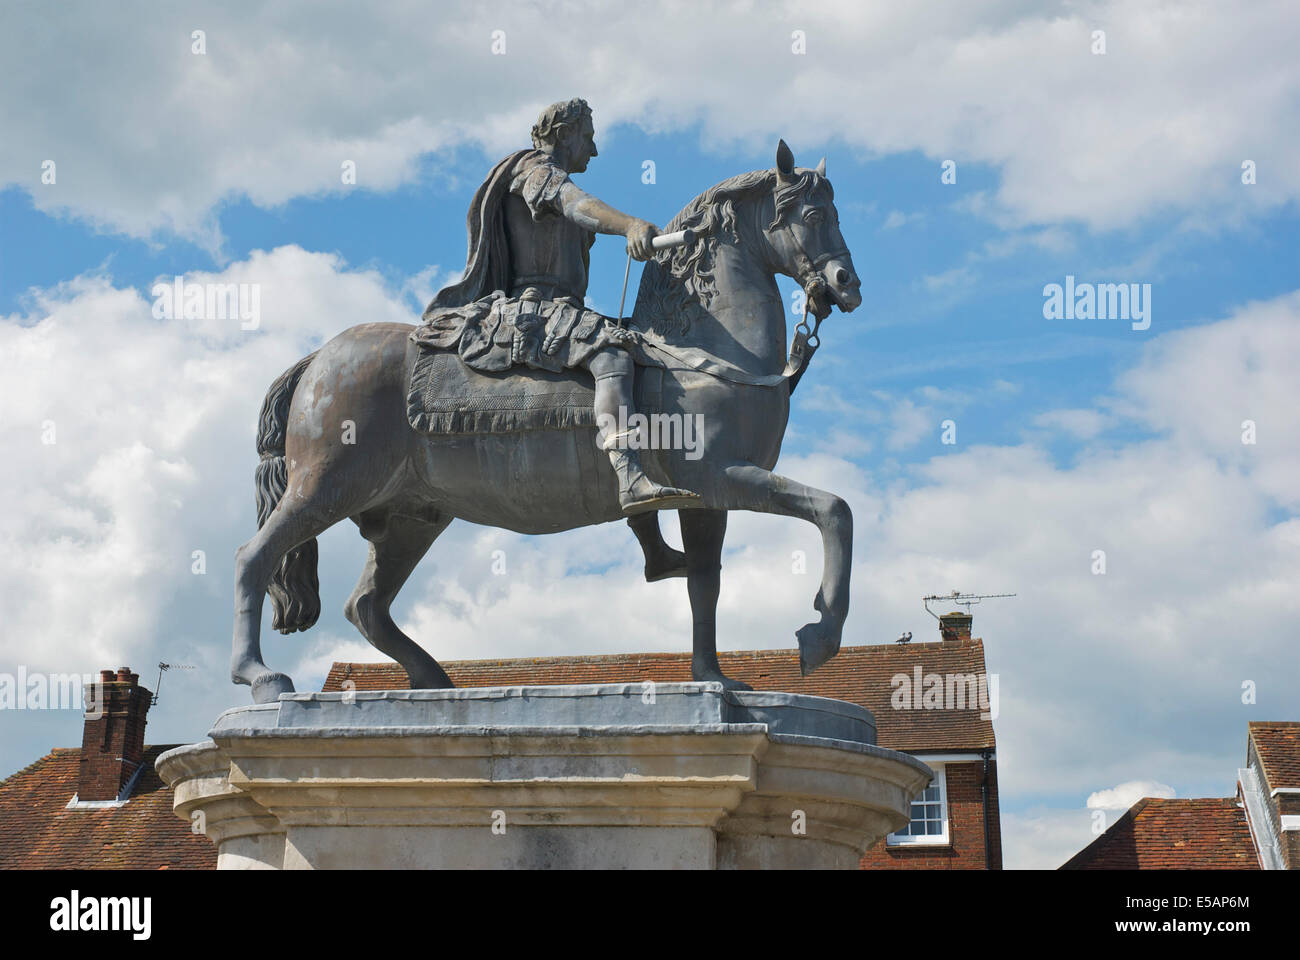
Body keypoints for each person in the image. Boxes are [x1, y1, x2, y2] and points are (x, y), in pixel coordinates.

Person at [422, 97, 699, 517]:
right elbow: (575, 205)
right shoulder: (535, 170)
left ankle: (652, 542)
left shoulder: (548, 173)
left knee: (643, 357)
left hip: (561, 308)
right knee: (612, 357)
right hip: (530, 309)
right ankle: (629, 478)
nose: (594, 149)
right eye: (588, 137)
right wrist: (630, 226)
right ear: (564, 133)